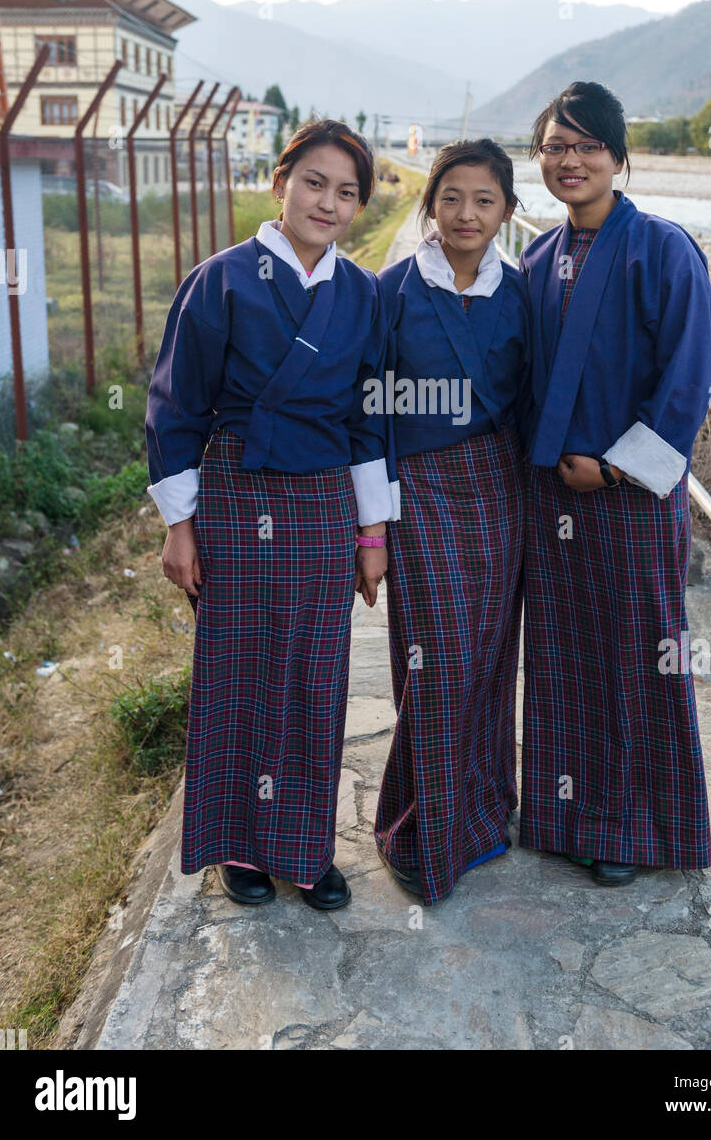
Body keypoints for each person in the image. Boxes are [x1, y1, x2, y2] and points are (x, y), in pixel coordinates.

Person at [145, 119, 396, 910]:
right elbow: (174, 406)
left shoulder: (359, 292)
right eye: (314, 182)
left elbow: (367, 421)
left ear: (359, 206)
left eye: (347, 192)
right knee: (239, 671)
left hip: (322, 501)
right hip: (236, 494)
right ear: (279, 182)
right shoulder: (220, 279)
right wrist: (179, 526)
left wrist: (370, 533)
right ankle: (239, 849)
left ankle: (303, 848)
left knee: (315, 677)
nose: (328, 202)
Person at [518, 81, 711, 886]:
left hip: (627, 496)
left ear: (617, 156)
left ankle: (632, 829)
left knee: (636, 655)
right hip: (548, 495)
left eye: (585, 145)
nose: (570, 161)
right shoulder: (537, 255)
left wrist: (613, 467)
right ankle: (564, 813)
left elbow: (686, 379)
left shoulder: (663, 249)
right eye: (554, 147)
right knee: (563, 654)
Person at [373, 138, 531, 905]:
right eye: (451, 198)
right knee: (434, 662)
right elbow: (365, 409)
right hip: (423, 492)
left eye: (485, 200)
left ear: (506, 210)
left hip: (499, 489)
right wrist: (371, 525)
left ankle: (481, 814)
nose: (466, 215)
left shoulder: (523, 291)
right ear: (428, 203)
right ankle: (418, 833)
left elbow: (538, 395)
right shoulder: (391, 291)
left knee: (490, 658)